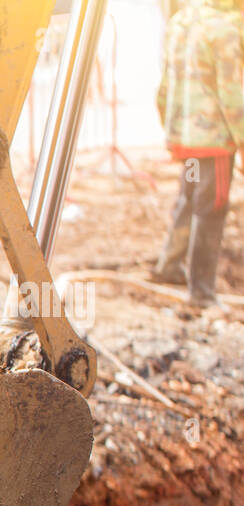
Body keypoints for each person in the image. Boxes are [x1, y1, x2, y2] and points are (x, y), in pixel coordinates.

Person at [153, 0, 244, 310]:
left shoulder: (181, 22)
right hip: (215, 141)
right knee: (212, 207)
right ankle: (201, 292)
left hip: (186, 141)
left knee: (189, 196)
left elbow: (164, 83)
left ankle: (170, 263)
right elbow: (232, 93)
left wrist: (169, 126)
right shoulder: (225, 30)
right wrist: (242, 141)